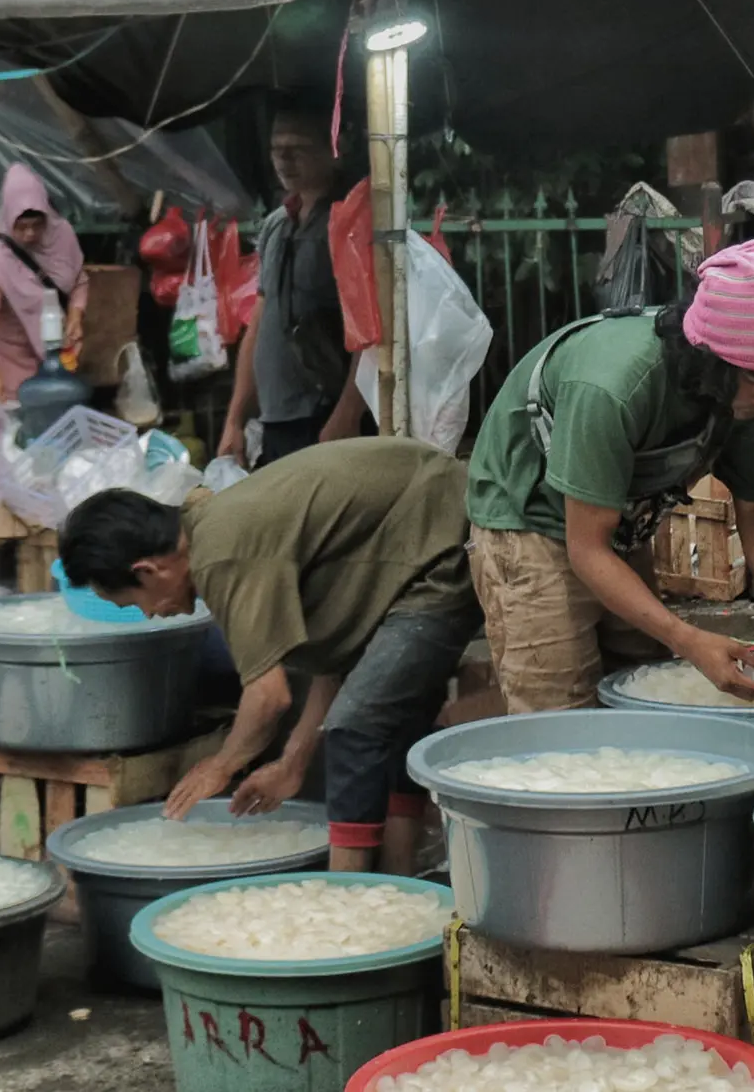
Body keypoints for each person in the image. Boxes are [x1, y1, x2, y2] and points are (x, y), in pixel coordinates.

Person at [58, 437, 476, 874]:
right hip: (431, 530)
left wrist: (222, 765)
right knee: (394, 721)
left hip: (445, 543)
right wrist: (292, 763)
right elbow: (337, 664)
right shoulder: (216, 529)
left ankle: (347, 896)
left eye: (135, 602)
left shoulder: (221, 553)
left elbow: (269, 696)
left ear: (148, 570)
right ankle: (399, 878)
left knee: (357, 728)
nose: (148, 614)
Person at [464, 237, 754, 711]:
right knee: (562, 717)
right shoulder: (612, 387)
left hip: (617, 522)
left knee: (644, 690)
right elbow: (587, 549)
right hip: (530, 523)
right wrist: (689, 639)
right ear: (708, 356)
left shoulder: (746, 390)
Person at [220, 110, 366, 466]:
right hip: (276, 417)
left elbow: (373, 327)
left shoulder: (348, 223)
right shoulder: (276, 225)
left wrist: (347, 413)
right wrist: (235, 420)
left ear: (332, 152)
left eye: (298, 148)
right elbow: (259, 322)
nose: (284, 159)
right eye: (276, 149)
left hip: (323, 414)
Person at [0, 165, 87, 403]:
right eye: (21, 227)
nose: (30, 234)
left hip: (57, 366)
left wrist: (75, 317)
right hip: (9, 372)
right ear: (7, 218)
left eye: (37, 224)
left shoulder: (61, 236)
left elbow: (79, 281)